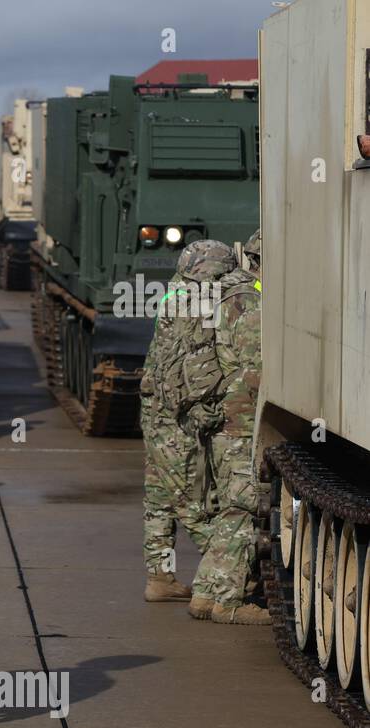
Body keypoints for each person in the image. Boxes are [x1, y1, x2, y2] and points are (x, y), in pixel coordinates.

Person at [180, 229, 269, 624]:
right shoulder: (248, 299)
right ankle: (228, 603)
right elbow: (257, 365)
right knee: (244, 506)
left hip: (222, 416)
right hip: (240, 418)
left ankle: (205, 592)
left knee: (231, 506)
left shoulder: (224, 294)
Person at [140, 240, 236, 602]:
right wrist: (208, 412)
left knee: (160, 496)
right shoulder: (196, 304)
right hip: (173, 415)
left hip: (154, 409)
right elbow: (191, 367)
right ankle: (225, 576)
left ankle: (160, 577)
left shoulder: (174, 294)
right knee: (189, 498)